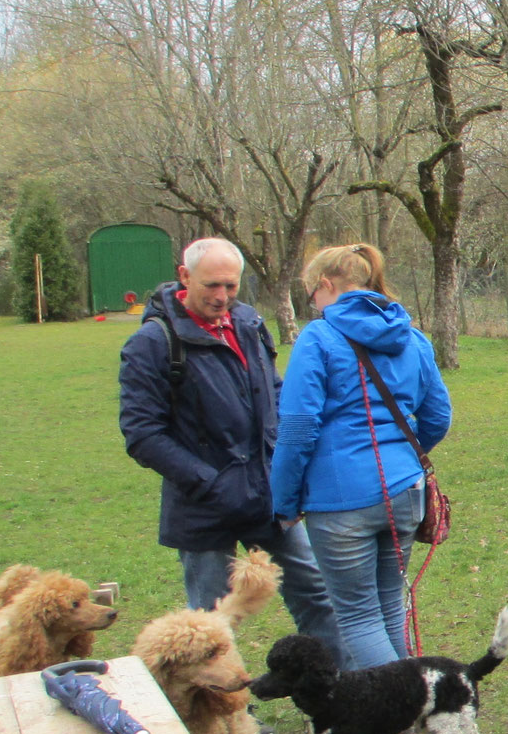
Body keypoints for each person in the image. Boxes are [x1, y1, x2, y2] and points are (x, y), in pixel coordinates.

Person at [119, 237, 344, 665]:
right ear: (184, 276)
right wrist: (209, 481)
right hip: (205, 505)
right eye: (211, 286)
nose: (222, 296)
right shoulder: (152, 343)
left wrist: (285, 461)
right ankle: (221, 701)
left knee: (317, 593)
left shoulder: (248, 323)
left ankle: (338, 686)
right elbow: (142, 433)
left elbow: (274, 393)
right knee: (211, 621)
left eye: (231, 285)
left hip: (269, 493)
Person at [270, 244, 450, 734]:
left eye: (311, 292)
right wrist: (399, 460)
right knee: (389, 606)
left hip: (340, 500)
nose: (312, 302)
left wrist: (285, 500)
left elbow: (297, 427)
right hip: (404, 491)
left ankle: (404, 720)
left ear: (327, 284)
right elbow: (437, 415)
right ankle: (420, 716)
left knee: (358, 616)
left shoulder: (319, 338)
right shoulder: (411, 335)